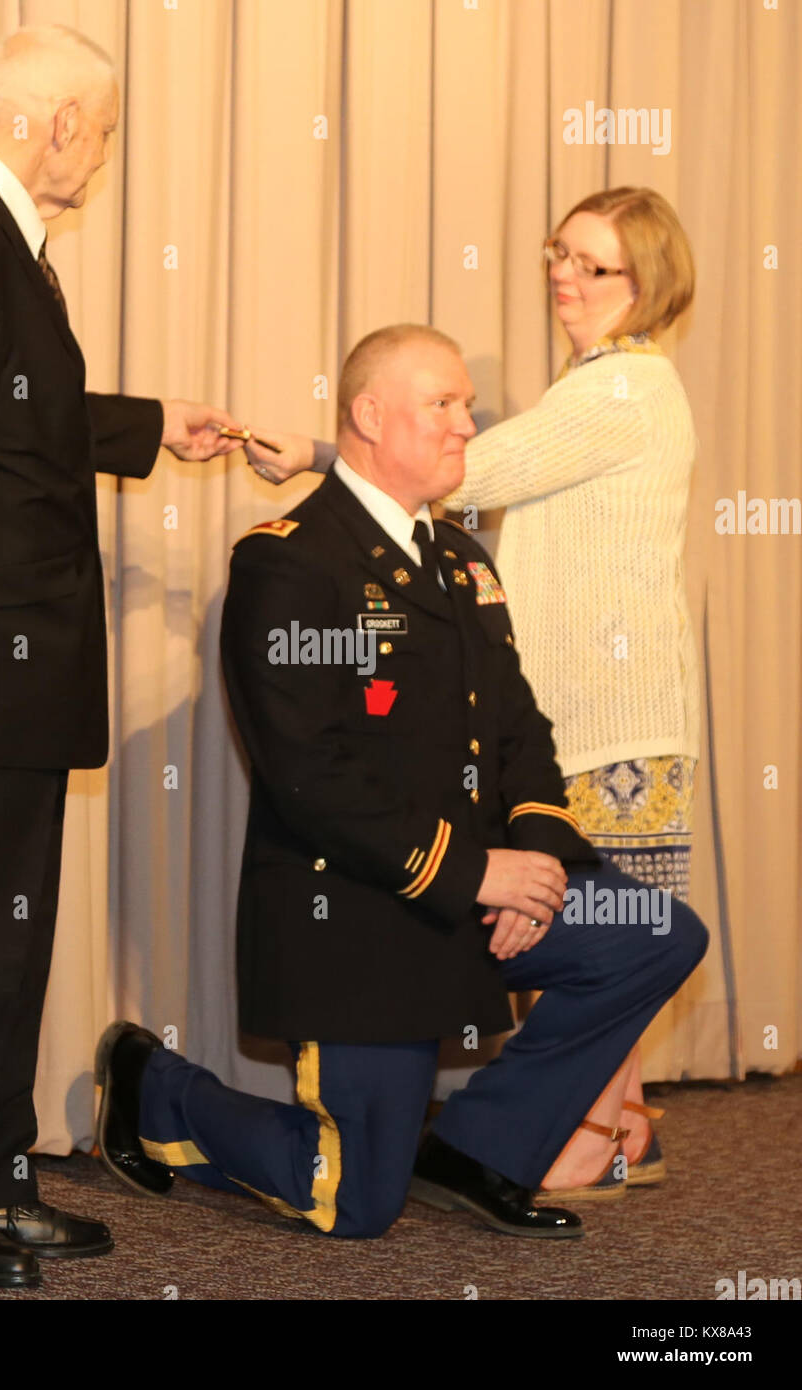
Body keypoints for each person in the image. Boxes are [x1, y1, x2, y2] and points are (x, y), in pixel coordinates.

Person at [96, 324, 708, 1241]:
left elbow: (516, 731)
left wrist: (534, 864)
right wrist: (476, 875)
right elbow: (310, 778)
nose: (466, 424)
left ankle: (478, 1150)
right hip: (356, 915)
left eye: (465, 404)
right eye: (443, 404)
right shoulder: (289, 558)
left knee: (653, 932)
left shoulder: (462, 559)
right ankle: (159, 1090)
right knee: (352, 1203)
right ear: (369, 416)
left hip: (470, 894)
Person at [0, 24, 241, 1289]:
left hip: (10, 672)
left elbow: (5, 416)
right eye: (106, 131)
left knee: (5, 940)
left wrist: (145, 424)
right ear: (61, 124)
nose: (103, 155)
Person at [245, 188, 698, 1200]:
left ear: (649, 283)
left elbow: (471, 467)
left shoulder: (620, 389)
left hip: (608, 719)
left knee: (606, 934)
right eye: (559, 254)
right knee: (581, 934)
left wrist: (324, 453)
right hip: (581, 714)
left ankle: (596, 1129)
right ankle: (612, 1126)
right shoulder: (594, 384)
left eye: (594, 266)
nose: (563, 278)